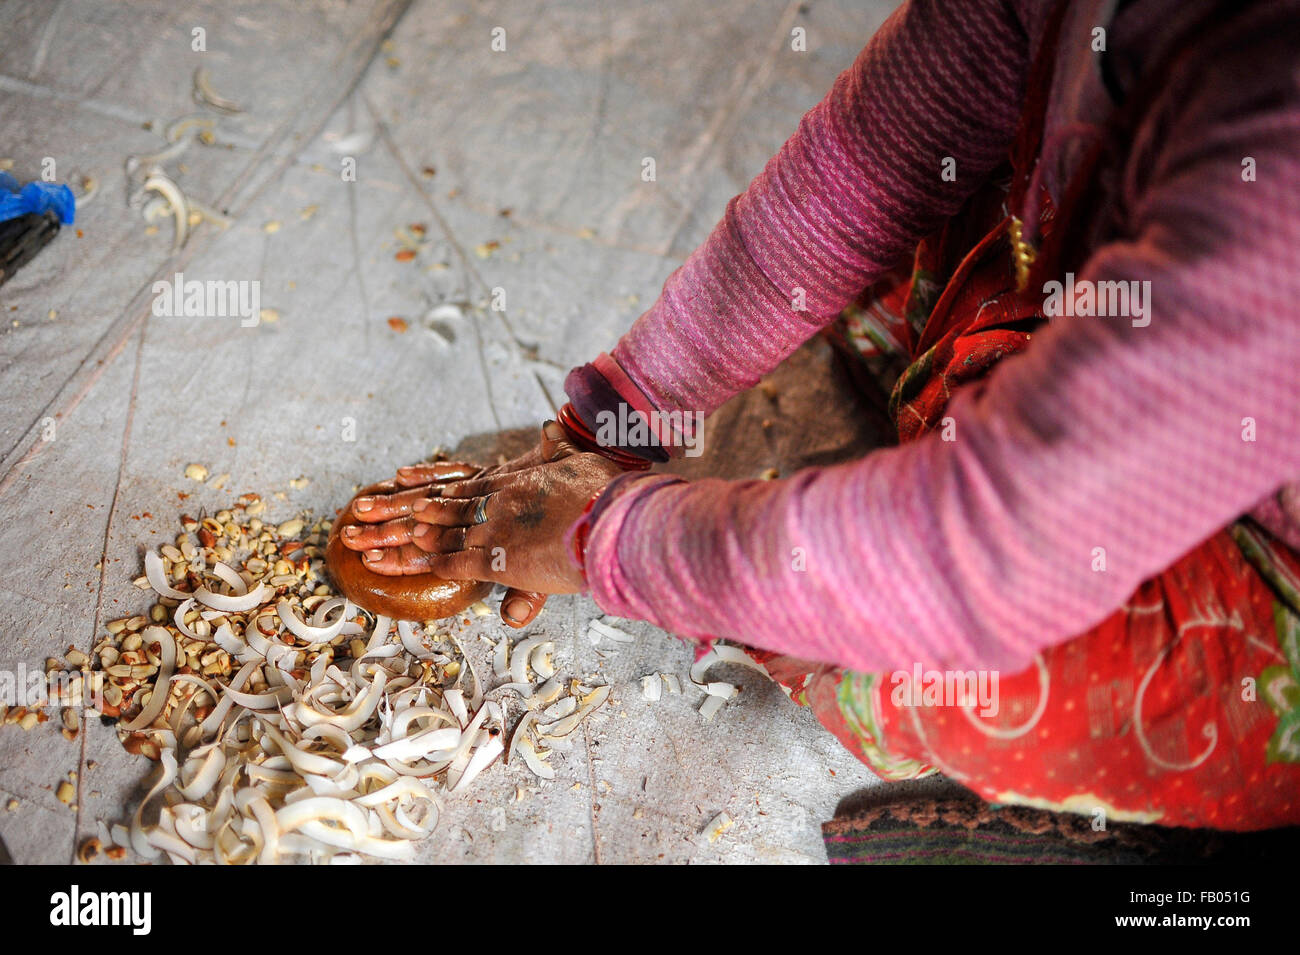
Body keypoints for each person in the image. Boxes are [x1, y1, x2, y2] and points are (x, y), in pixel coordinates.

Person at [340, 0, 1300, 830]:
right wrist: (620, 416)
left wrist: (605, 540)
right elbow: (863, 169)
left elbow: (976, 553)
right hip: (1120, 316)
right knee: (906, 231)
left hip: (1263, 555)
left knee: (898, 657)